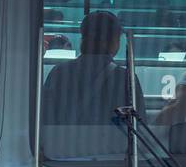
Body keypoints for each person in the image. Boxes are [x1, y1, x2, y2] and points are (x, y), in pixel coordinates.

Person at [40, 10, 143, 159]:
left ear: (83, 39)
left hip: (64, 158)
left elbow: (44, 120)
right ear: (114, 41)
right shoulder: (126, 79)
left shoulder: (59, 73)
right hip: (113, 162)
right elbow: (139, 130)